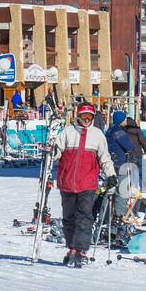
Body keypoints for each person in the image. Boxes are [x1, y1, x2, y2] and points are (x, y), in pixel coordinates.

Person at [54, 101, 116, 268]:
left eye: (90, 117)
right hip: (67, 182)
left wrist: (111, 174)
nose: (87, 120)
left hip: (87, 183)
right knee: (69, 218)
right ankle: (71, 247)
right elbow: (56, 151)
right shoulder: (67, 132)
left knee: (84, 217)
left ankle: (80, 249)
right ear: (78, 116)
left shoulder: (97, 135)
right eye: (84, 116)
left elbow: (105, 158)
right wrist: (52, 152)